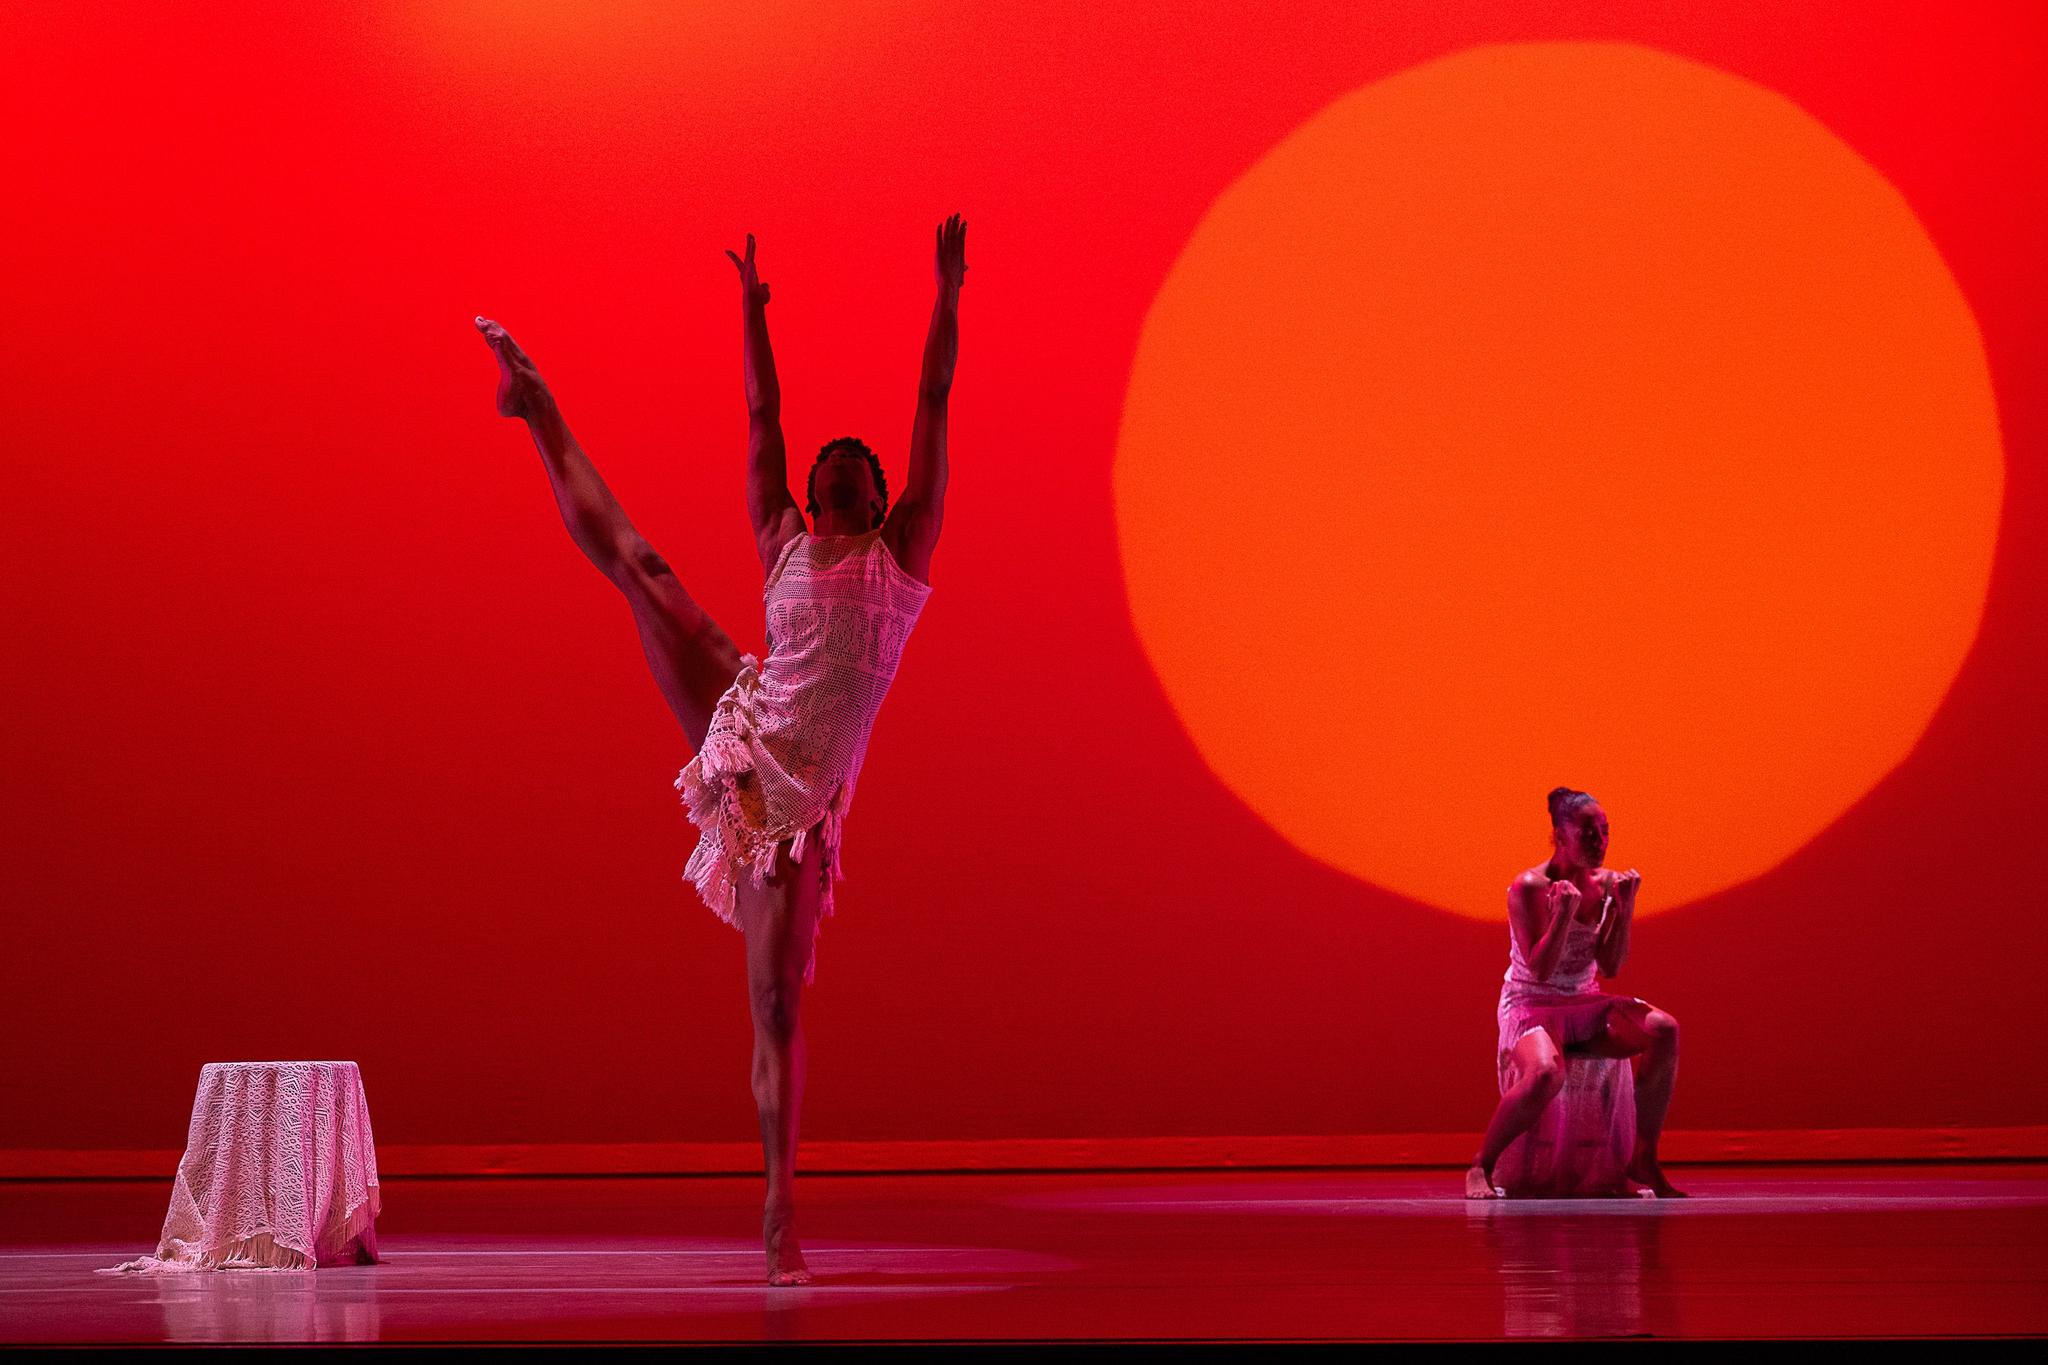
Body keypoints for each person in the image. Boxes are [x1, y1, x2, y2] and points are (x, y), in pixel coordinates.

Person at [474, 213, 966, 1283]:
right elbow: (760, 416)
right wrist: (752, 312)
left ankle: (779, 1213)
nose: (830, 466)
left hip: (791, 817)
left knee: (777, 1007)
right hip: (742, 724)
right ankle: (537, 408)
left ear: (877, 499)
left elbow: (930, 404)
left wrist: (947, 295)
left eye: (850, 466)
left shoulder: (899, 557)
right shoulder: (783, 539)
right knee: (641, 568)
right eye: (823, 462)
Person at [1465, 787, 1685, 1199]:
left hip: (1583, 1001)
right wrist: (1563, 914)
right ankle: (1482, 1164)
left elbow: (1611, 967)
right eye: (1587, 833)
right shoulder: (1529, 886)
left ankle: (1643, 1158)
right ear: (1559, 835)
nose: (1598, 842)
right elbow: (1540, 969)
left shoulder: (1605, 885)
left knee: (1663, 1029)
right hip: (1531, 1004)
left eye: (1604, 832)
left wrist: (1626, 908)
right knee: (1547, 1073)